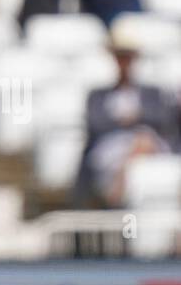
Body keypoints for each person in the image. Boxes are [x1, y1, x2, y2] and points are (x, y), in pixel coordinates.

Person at [74, 24, 179, 207]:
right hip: (110, 150)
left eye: (128, 56)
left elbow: (164, 119)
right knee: (142, 143)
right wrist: (135, 119)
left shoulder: (152, 92)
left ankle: (119, 190)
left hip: (150, 147)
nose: (124, 61)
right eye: (120, 56)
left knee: (144, 142)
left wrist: (131, 119)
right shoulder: (98, 95)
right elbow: (96, 125)